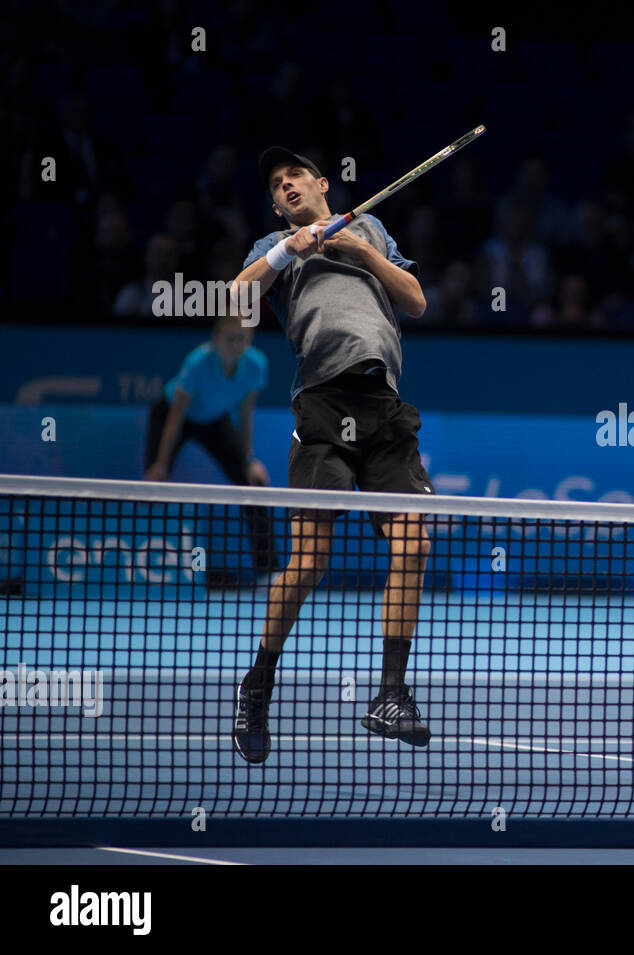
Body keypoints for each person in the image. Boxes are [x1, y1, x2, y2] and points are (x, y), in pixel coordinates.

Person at [229, 146, 430, 764]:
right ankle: (258, 684)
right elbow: (232, 300)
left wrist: (360, 252)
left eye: (295, 176)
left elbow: (416, 301)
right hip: (322, 404)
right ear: (274, 204)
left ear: (322, 183)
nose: (286, 186)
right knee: (311, 559)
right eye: (276, 184)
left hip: (387, 406)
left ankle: (390, 694)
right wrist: (291, 250)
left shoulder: (368, 227)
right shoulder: (274, 244)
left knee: (415, 541)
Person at [144, 315, 277, 579]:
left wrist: (248, 460)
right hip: (172, 416)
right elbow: (176, 416)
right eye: (231, 338)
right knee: (152, 485)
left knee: (254, 487)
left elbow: (245, 413)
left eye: (243, 339)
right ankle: (142, 564)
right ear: (216, 338)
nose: (237, 344)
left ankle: (268, 571)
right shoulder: (197, 362)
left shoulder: (256, 364)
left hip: (216, 420)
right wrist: (161, 464)